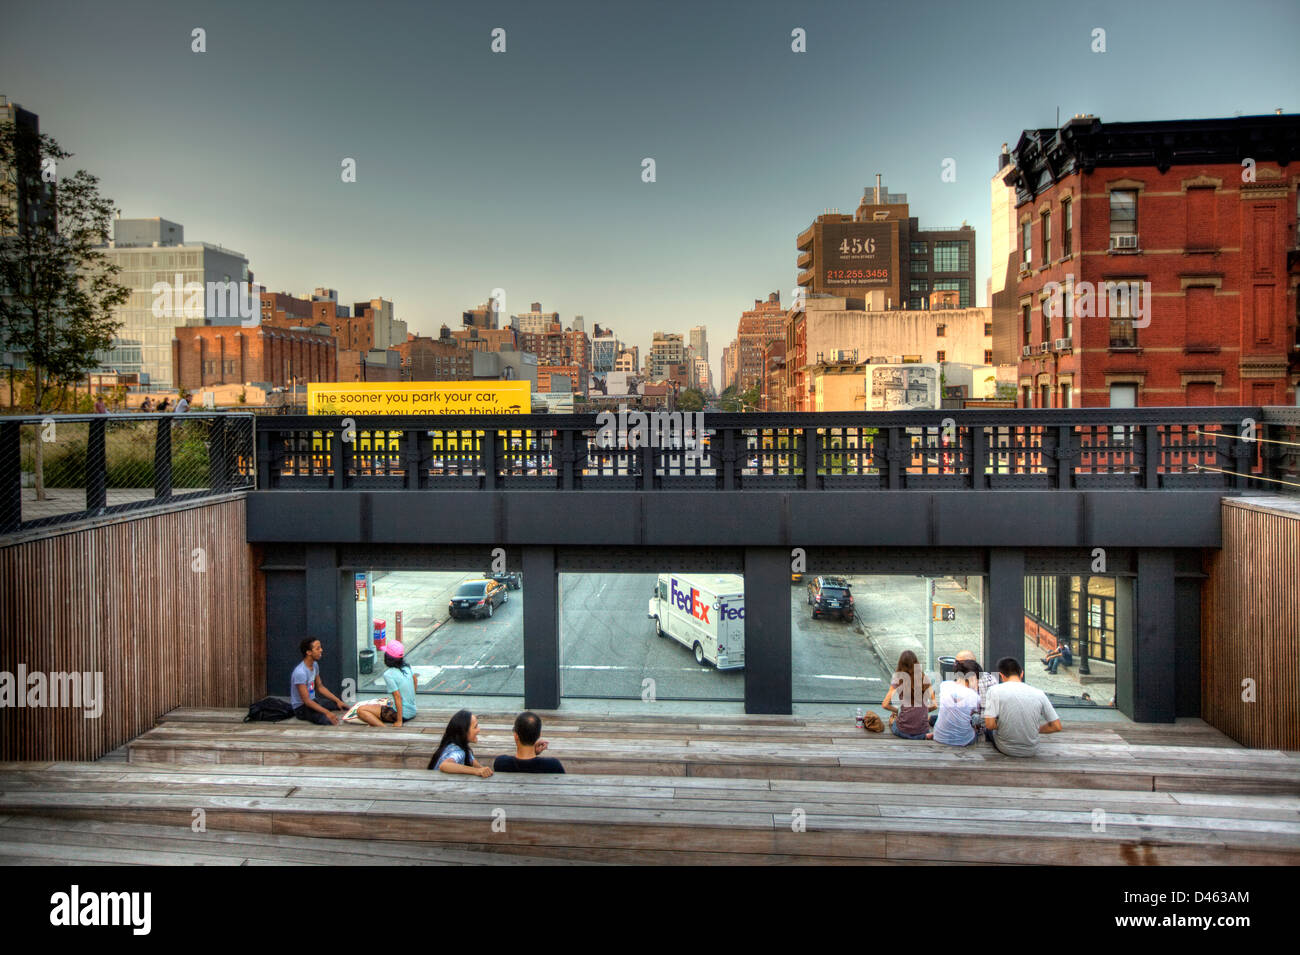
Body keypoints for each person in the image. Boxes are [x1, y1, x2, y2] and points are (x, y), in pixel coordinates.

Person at [983, 657, 1063, 757]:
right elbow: (1057, 726)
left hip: (1006, 748)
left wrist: (1006, 725)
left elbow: (989, 725)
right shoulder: (1039, 693)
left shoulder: (994, 691)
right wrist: (1036, 729)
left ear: (1001, 676)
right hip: (1031, 750)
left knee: (987, 731)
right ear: (1022, 673)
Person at [351, 641, 418, 727]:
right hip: (413, 710)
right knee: (377, 705)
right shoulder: (406, 667)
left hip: (401, 714)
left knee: (361, 710)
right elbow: (415, 680)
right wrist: (410, 700)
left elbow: (397, 696)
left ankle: (383, 727)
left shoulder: (388, 674)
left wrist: (399, 721)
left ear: (387, 658)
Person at [290, 637, 349, 725]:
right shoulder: (300, 672)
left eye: (320, 647)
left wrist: (338, 701)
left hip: (313, 701)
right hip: (302, 708)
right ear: (308, 652)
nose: (321, 650)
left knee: (340, 706)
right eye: (317, 648)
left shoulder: (315, 665)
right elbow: (306, 701)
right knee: (327, 720)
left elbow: (320, 687)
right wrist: (327, 712)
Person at [881, 650, 935, 740]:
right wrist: (923, 712)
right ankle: (923, 736)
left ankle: (919, 736)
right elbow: (934, 706)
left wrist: (897, 711)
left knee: (893, 722)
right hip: (923, 729)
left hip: (903, 729)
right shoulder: (924, 678)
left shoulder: (898, 679)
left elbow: (885, 704)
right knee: (925, 721)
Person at [929, 659, 981, 746]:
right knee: (977, 726)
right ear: (972, 677)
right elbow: (973, 714)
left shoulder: (944, 685)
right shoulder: (975, 697)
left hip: (939, 737)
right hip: (964, 740)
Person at [493, 711, 565, 773]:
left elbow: (523, 765)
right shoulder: (553, 765)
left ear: (516, 735)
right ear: (539, 735)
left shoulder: (501, 763)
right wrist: (533, 752)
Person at [428, 709, 493, 777]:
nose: (479, 729)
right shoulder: (458, 751)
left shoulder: (463, 748)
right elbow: (444, 765)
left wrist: (483, 770)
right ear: (464, 732)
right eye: (475, 727)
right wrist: (476, 771)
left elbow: (479, 767)